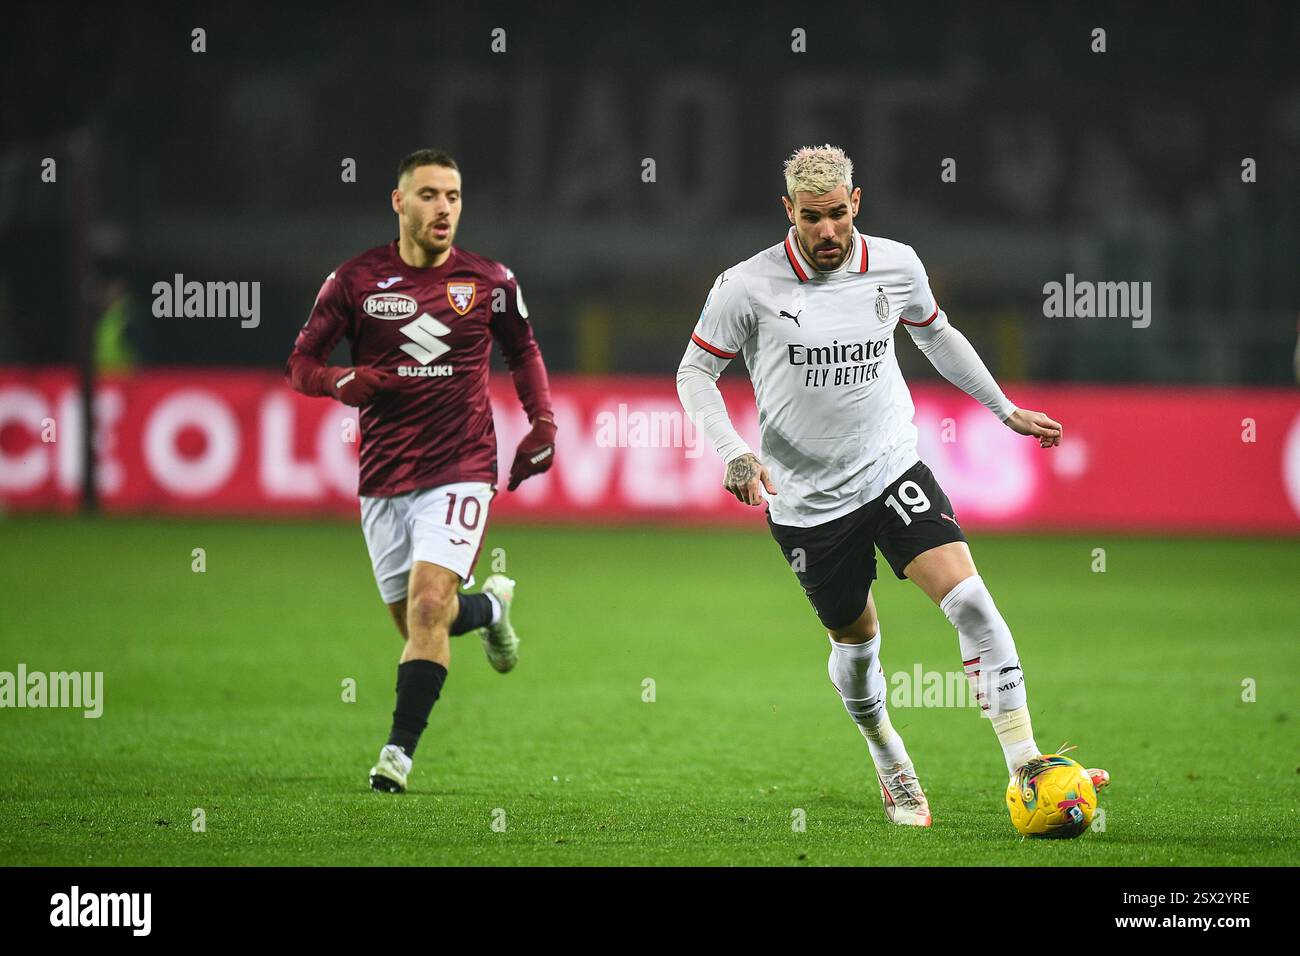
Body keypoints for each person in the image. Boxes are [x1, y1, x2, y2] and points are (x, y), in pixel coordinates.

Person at [676, 144, 1108, 826]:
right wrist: (732, 452)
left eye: (838, 216)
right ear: (787, 211)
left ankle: (1026, 764)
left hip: (891, 469)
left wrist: (1004, 408)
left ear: (857, 203)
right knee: (857, 645)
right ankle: (888, 755)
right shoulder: (745, 286)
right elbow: (694, 374)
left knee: (972, 603)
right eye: (811, 218)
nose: (826, 233)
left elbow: (937, 336)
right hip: (808, 504)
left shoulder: (898, 264)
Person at [286, 149, 557, 793]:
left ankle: (396, 756)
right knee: (418, 623)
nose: (444, 209)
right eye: (430, 195)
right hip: (383, 476)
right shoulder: (353, 281)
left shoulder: (489, 280)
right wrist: (338, 379)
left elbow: (523, 349)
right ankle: (490, 608)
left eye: (454, 196)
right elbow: (300, 362)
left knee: (429, 604)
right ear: (399, 202)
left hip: (462, 463)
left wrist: (542, 423)